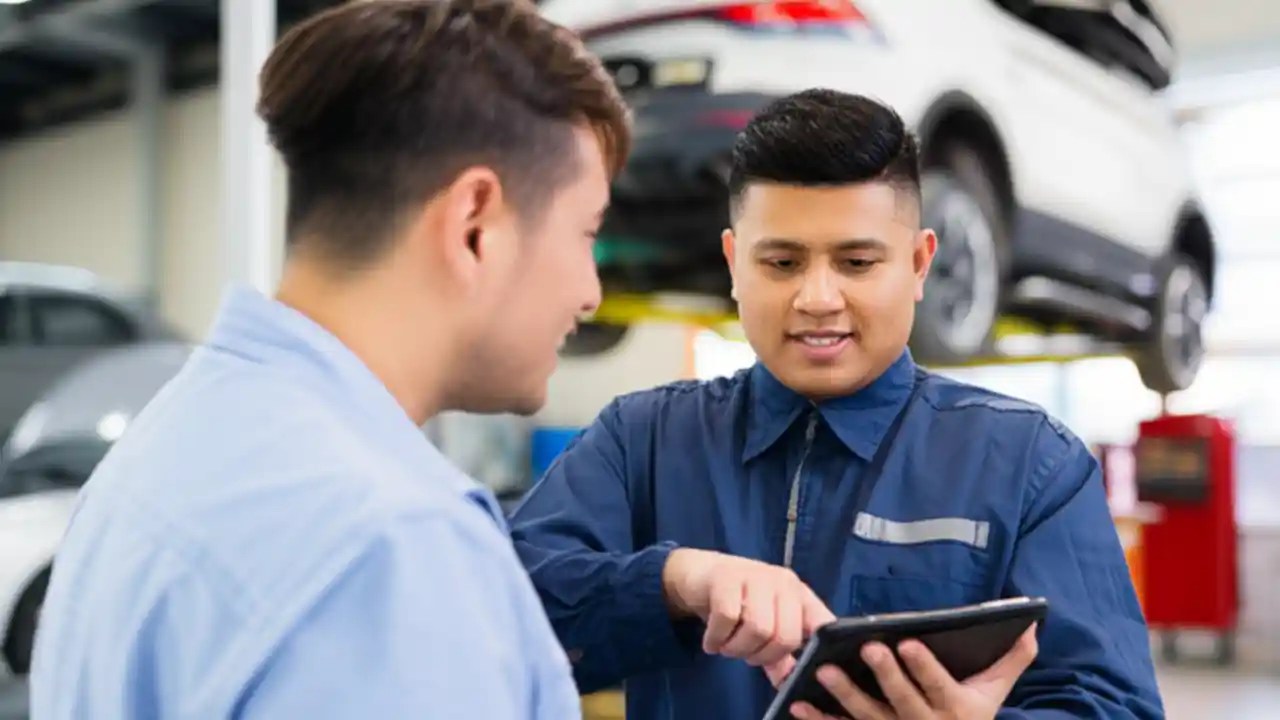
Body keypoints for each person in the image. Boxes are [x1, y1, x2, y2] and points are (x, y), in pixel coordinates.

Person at [29, 1, 629, 717]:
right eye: (585, 232)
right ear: (476, 225)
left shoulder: (168, 446)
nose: (590, 293)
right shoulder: (391, 548)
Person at [509, 89, 1164, 720]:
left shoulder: (1031, 466)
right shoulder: (643, 441)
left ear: (918, 263)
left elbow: (1114, 705)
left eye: (855, 262)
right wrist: (677, 581)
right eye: (783, 262)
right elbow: (499, 609)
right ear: (735, 264)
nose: (817, 298)